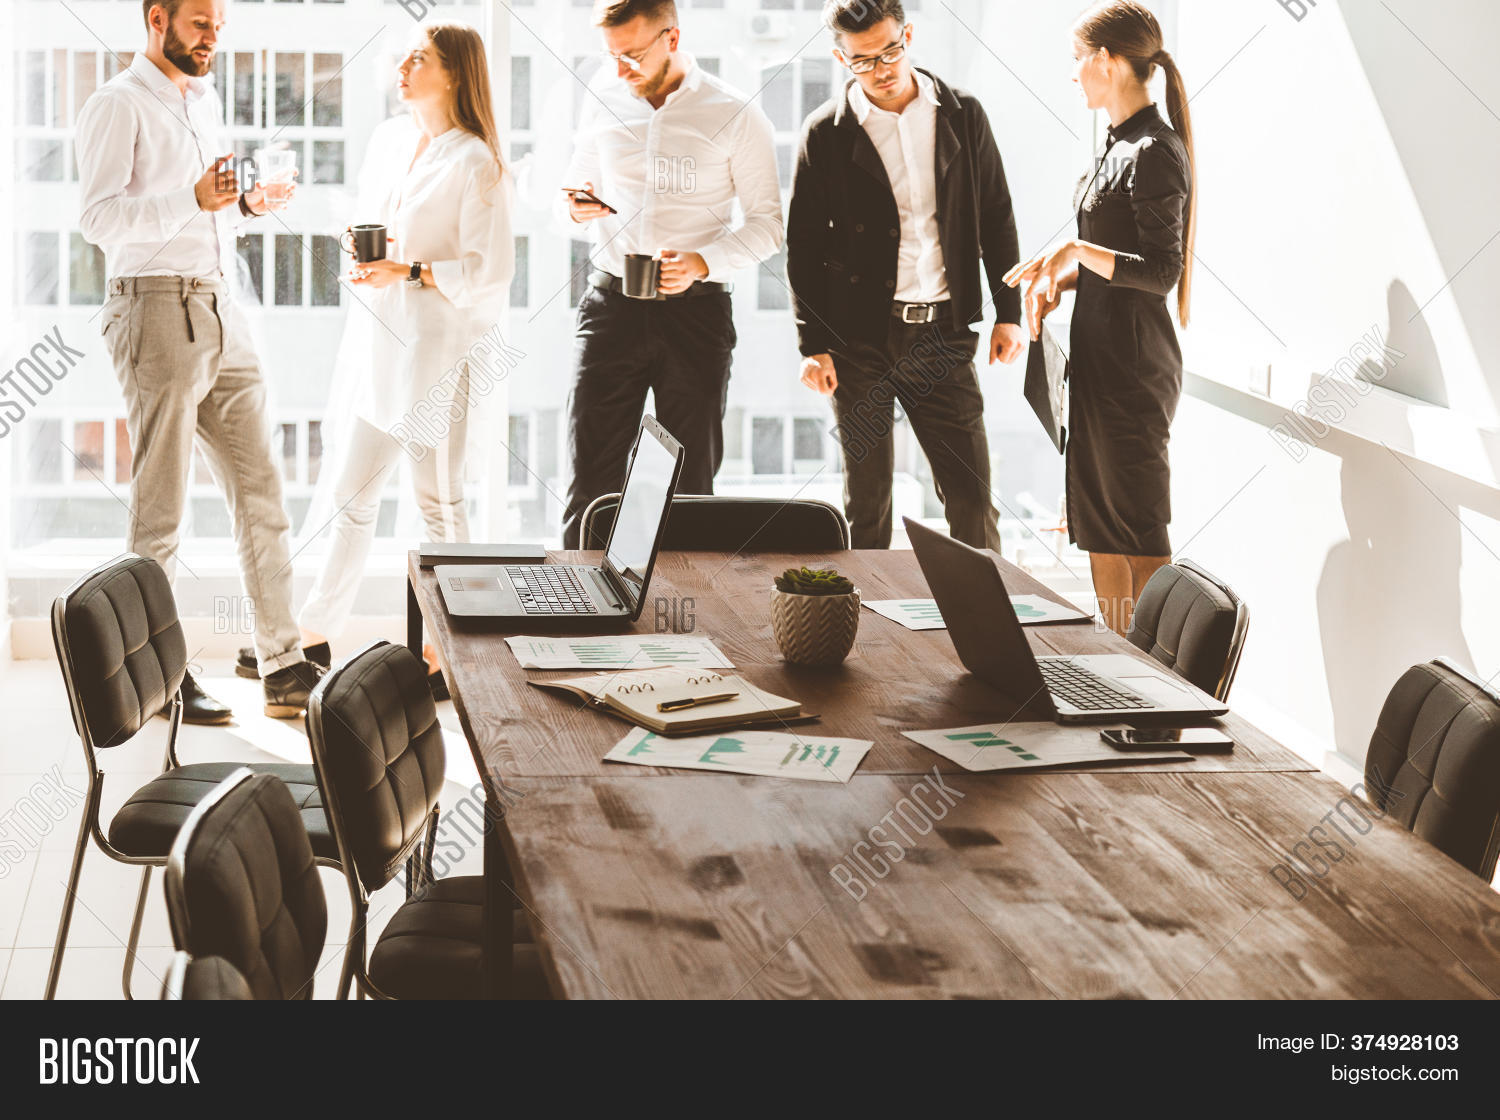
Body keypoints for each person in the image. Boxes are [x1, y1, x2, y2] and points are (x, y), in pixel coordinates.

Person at [77, 0, 324, 721]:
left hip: (221, 304)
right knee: (161, 512)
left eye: (218, 23)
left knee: (262, 490)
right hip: (154, 305)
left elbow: (200, 214)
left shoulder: (203, 98)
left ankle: (282, 663)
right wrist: (190, 198)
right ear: (157, 18)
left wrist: (241, 206)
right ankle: (155, 681)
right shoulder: (116, 104)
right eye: (199, 23)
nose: (213, 36)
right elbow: (96, 219)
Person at [278, 20, 513, 692]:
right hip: (380, 350)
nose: (403, 66)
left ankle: (457, 654)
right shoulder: (393, 141)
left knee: (439, 503)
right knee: (352, 496)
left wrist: (409, 270)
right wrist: (363, 249)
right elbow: (376, 227)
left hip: (435, 354)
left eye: (421, 58)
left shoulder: (478, 162)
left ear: (455, 74)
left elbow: (488, 273)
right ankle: (314, 634)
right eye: (404, 55)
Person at [787, 0, 1026, 551]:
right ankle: (867, 635)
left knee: (970, 502)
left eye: (890, 51)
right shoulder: (826, 132)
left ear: (908, 35)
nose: (881, 69)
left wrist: (1008, 313)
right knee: (867, 508)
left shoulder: (962, 114)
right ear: (840, 57)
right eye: (863, 60)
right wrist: (813, 344)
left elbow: (996, 215)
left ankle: (978, 632)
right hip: (858, 343)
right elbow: (802, 247)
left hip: (941, 337)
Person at [559, 0, 782, 548]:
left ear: (673, 38)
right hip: (609, 309)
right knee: (591, 477)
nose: (620, 69)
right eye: (612, 55)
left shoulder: (735, 113)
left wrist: (704, 263)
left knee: (688, 482)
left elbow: (768, 226)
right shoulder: (603, 97)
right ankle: (576, 612)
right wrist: (578, 204)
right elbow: (576, 183)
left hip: (696, 315)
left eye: (633, 54)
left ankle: (685, 620)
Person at [1005, 0, 1195, 635]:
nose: (1073, 74)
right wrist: (1052, 277)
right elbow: (1109, 257)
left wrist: (1076, 251)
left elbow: (1160, 271)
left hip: (1133, 374)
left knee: (1139, 532)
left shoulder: (1156, 150)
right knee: (1100, 529)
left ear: (1108, 62)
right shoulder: (1115, 146)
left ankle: (1161, 686)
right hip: (1098, 365)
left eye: (1077, 60)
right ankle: (1117, 668)